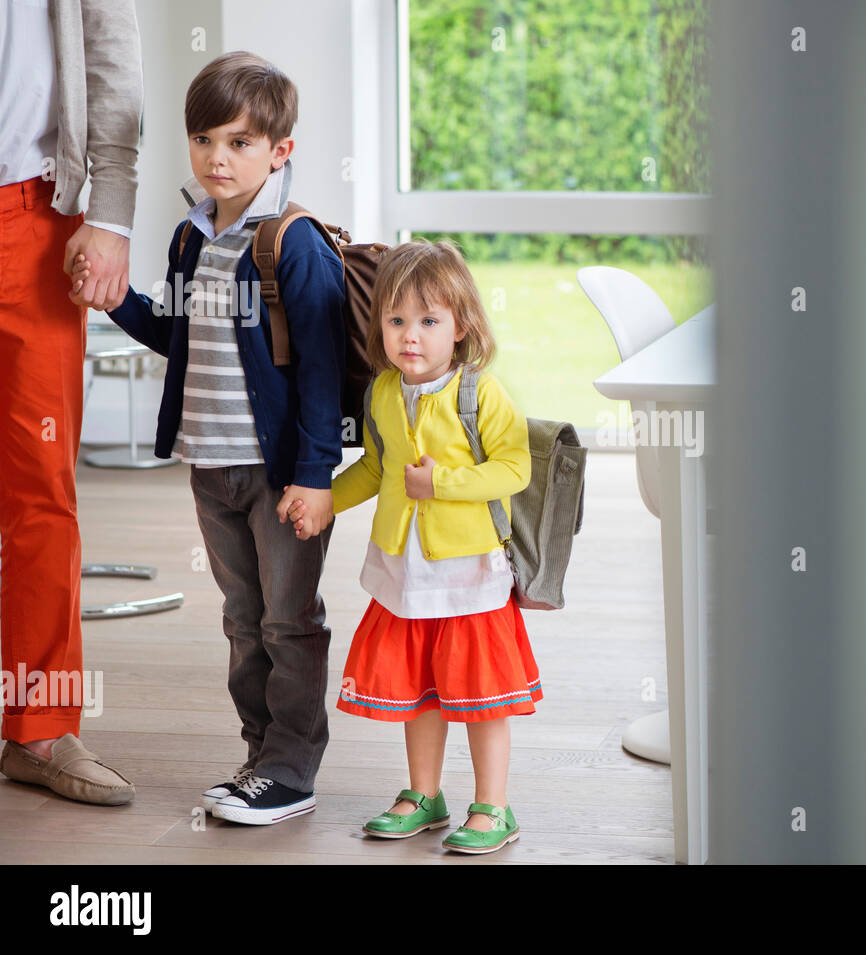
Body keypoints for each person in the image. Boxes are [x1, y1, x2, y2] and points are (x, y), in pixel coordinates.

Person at [82, 51, 346, 825]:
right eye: (204, 141)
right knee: (242, 618)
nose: (217, 158)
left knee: (289, 619)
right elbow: (182, 335)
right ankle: (260, 753)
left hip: (278, 473)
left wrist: (317, 475)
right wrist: (114, 300)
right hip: (210, 465)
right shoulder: (192, 237)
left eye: (238, 142)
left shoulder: (291, 244)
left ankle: (292, 768)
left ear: (280, 151)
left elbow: (323, 373)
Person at [286, 240, 540, 854]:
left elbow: (515, 468)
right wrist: (324, 499)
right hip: (406, 573)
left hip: (469, 573)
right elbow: (376, 469)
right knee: (420, 692)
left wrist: (443, 483)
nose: (410, 336)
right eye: (396, 320)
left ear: (461, 327)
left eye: (429, 321)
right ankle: (424, 795)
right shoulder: (381, 393)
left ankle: (493, 806)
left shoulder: (479, 394)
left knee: (480, 699)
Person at [0, 0, 142, 805]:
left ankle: (40, 728)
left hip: (32, 215)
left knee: (40, 490)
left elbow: (111, 53)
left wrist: (112, 212)